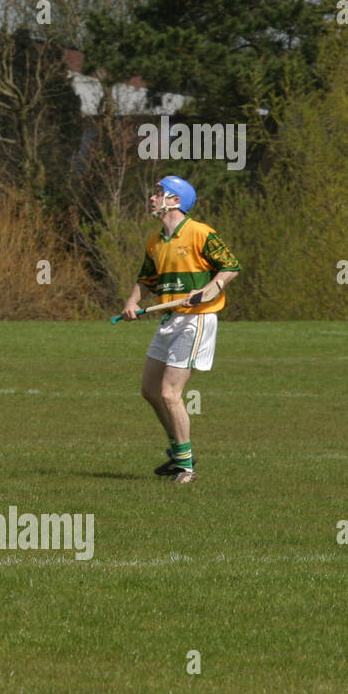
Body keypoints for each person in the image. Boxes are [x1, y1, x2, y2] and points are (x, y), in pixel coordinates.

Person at [121, 176, 241, 484]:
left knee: (169, 393)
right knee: (149, 390)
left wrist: (212, 288)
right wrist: (132, 303)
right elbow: (146, 280)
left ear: (175, 201)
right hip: (170, 319)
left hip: (197, 318)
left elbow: (230, 266)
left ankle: (186, 466)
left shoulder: (201, 233)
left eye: (159, 193)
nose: (152, 197)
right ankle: (178, 453)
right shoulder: (156, 241)